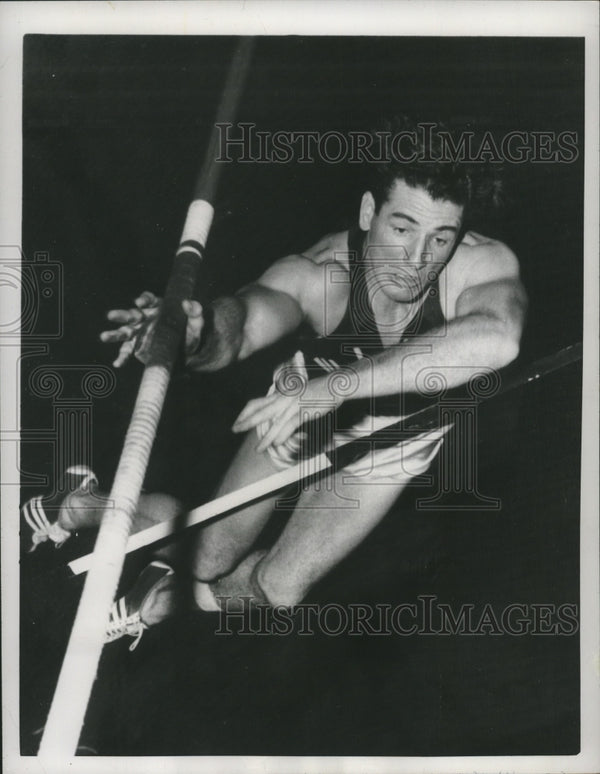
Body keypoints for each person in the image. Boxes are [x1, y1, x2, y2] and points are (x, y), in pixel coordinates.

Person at [22, 121, 527, 647]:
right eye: (402, 229)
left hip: (398, 431)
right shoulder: (320, 273)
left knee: (279, 589)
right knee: (214, 551)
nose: (419, 259)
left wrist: (334, 389)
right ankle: (80, 504)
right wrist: (195, 337)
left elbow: (499, 339)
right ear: (367, 213)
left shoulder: (482, 264)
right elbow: (238, 329)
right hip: (302, 404)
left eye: (440, 238)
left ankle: (157, 603)